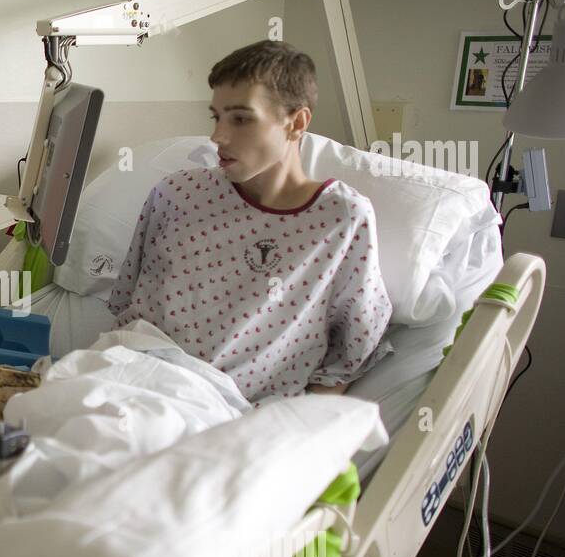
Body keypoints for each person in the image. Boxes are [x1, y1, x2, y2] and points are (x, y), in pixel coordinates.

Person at [107, 40, 393, 403]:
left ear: (296, 122)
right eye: (217, 117)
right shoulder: (176, 195)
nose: (218, 136)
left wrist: (305, 430)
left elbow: (352, 349)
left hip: (226, 411)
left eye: (241, 119)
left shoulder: (340, 220)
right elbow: (126, 305)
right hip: (127, 379)